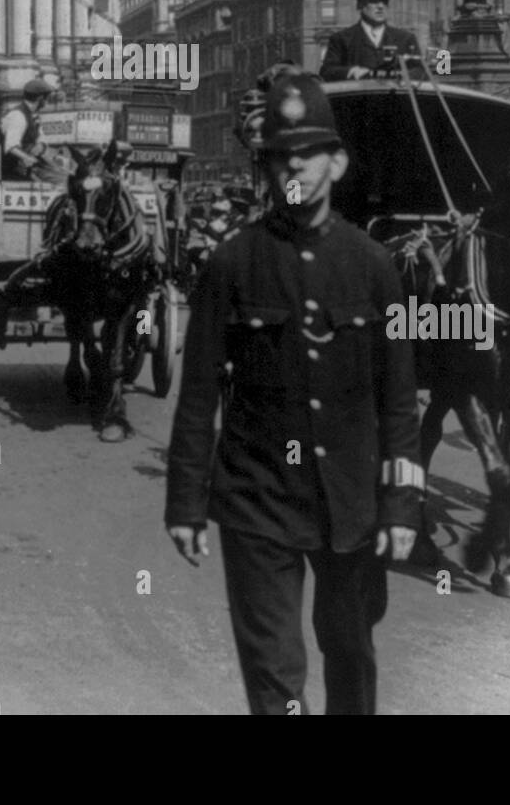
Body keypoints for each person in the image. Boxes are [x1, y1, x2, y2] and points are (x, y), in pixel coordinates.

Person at [166, 72, 422, 715]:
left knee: (352, 659)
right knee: (275, 680)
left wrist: (401, 506)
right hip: (258, 502)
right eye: (281, 155)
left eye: (308, 152)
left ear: (336, 161)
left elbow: (398, 399)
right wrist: (185, 502)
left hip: (353, 505)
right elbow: (198, 395)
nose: (295, 166)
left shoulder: (375, 268)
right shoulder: (231, 263)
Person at [318, 0, 420, 81]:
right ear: (360, 3)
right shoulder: (341, 40)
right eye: (374, 0)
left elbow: (421, 71)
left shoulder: (405, 39)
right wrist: (351, 72)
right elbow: (327, 72)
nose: (380, 6)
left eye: (384, 0)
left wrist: (404, 76)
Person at [0, 79, 63, 181]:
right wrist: (27, 158)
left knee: (62, 174)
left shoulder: (32, 115)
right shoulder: (18, 116)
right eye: (46, 98)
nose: (46, 102)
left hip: (28, 166)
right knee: (58, 180)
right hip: (14, 171)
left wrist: (41, 145)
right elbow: (11, 147)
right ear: (40, 98)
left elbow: (40, 137)